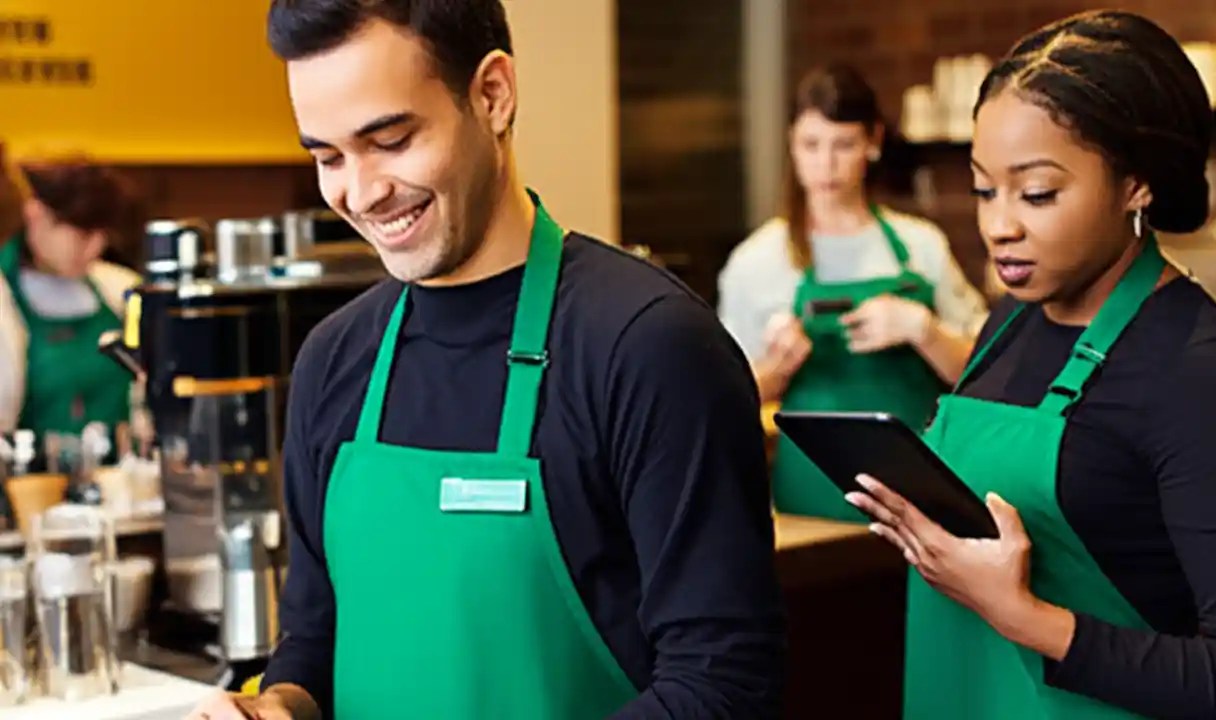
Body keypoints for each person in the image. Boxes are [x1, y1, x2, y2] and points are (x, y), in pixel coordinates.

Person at [186, 2, 785, 719]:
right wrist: (274, 707)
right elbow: (314, 644)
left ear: (492, 95)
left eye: (392, 140)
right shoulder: (332, 360)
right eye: (328, 157)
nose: (362, 192)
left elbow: (722, 686)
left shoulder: (650, 346)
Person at [847, 10, 1216, 719]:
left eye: (1038, 193)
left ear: (1136, 185)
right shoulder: (1006, 325)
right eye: (985, 189)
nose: (998, 224)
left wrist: (1023, 617)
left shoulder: (1204, 377)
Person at [717, 62, 987, 522]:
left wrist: (923, 330)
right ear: (792, 145)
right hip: (808, 499)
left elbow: (983, 374)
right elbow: (722, 399)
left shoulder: (920, 246)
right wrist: (775, 369)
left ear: (874, 142)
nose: (826, 164)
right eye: (811, 145)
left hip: (920, 496)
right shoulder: (756, 261)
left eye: (843, 145)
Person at [0, 150, 142, 440]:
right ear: (36, 214)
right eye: (82, 236)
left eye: (103, 236)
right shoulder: (4, 298)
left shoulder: (120, 289)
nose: (95, 249)